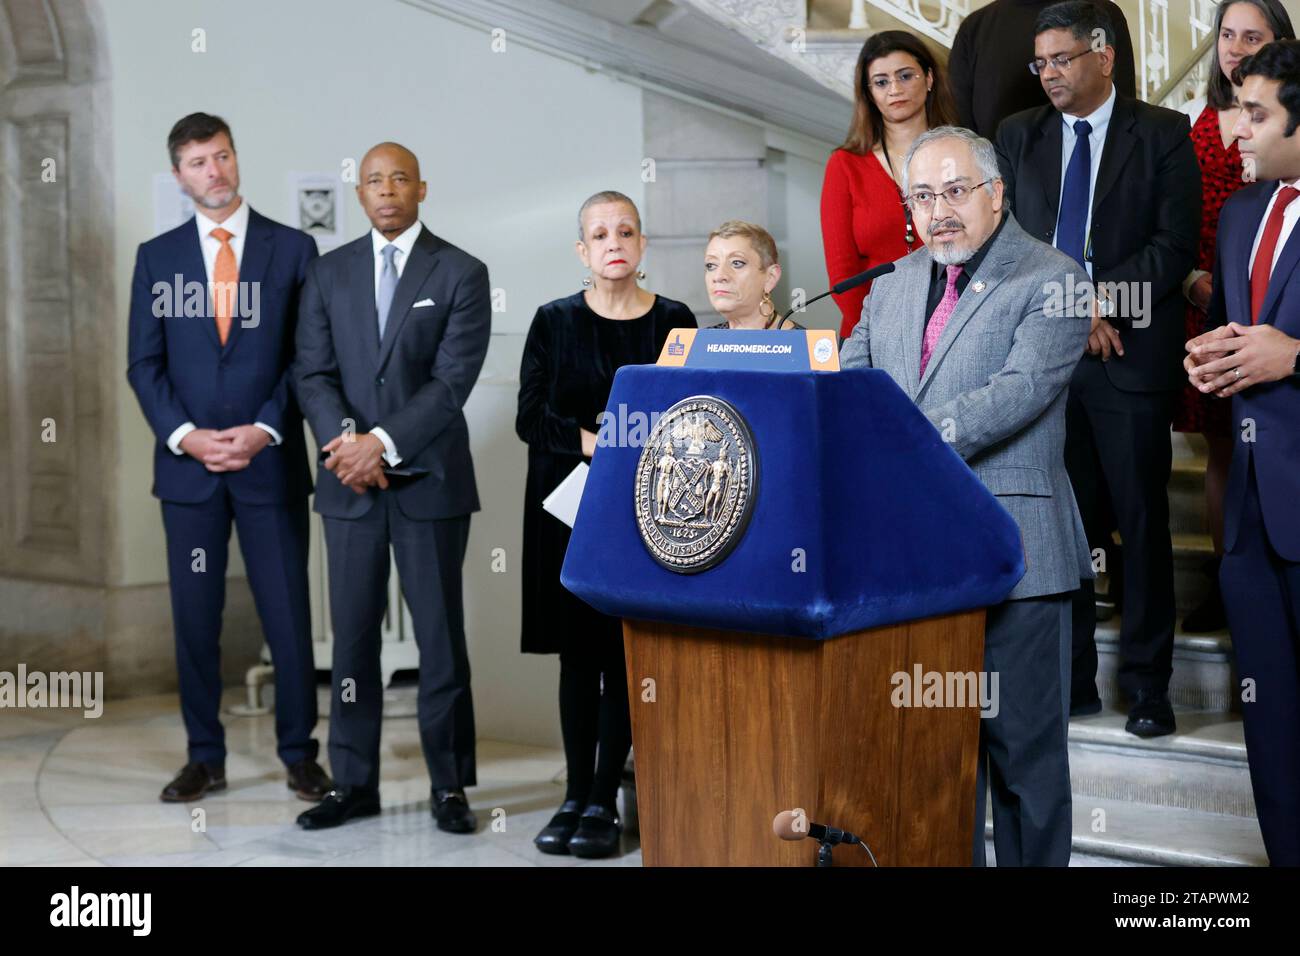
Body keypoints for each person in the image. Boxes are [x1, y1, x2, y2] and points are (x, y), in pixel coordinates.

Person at [842, 126, 1090, 866]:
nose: (939, 210)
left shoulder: (1054, 278)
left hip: (1015, 549)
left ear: (995, 193)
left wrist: (903, 439)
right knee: (935, 760)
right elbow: (855, 388)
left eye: (955, 191)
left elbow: (1019, 393)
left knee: (1024, 760)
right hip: (910, 565)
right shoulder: (887, 287)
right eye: (923, 195)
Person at [995, 1, 1202, 737]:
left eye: (1061, 59)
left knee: (1141, 525)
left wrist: (1097, 297)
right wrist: (1069, 308)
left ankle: (1148, 687)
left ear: (1104, 56)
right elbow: (1008, 244)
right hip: (1045, 362)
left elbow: (1173, 245)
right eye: (1039, 62)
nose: (1048, 73)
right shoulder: (1018, 136)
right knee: (1060, 529)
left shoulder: (1164, 135)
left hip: (1129, 356)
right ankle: (1071, 678)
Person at [126, 113, 330, 805]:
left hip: (268, 465)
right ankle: (204, 758)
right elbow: (143, 364)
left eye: (220, 157)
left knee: (288, 615)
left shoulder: (294, 250)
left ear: (236, 159)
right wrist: (185, 434)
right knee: (195, 619)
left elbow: (308, 361)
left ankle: (302, 756)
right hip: (189, 474)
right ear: (179, 176)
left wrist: (265, 428)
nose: (212, 172)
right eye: (196, 163)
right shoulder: (156, 259)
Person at [292, 142, 490, 833]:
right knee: (351, 643)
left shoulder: (462, 271)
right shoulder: (327, 274)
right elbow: (310, 374)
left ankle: (449, 786)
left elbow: (450, 382)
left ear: (421, 188)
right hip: (349, 488)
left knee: (439, 640)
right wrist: (347, 446)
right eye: (373, 180)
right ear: (359, 193)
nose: (385, 190)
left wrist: (381, 444)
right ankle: (352, 783)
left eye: (398, 178)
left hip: (429, 486)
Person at [517, 191, 696, 859]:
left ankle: (603, 800)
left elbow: (690, 411)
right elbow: (529, 417)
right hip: (566, 509)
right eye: (599, 233)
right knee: (577, 655)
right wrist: (593, 439)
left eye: (625, 230)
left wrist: (625, 445)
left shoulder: (674, 321)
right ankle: (573, 792)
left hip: (644, 510)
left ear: (642, 245)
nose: (613, 241)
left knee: (625, 655)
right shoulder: (551, 319)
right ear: (582, 251)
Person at [1185, 39, 1300, 867]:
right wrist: (1211, 359)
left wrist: (1296, 355)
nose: (1236, 135)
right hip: (1252, 519)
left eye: (1255, 115)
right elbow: (1237, 333)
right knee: (1273, 728)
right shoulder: (1237, 216)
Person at [1175, 0, 1295, 633]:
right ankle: (1231, 578)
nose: (1234, 46)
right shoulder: (1236, 205)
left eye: (1252, 35)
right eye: (1226, 35)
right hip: (1211, 311)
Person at [819, 30, 956, 338]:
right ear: (869, 93)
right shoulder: (845, 165)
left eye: (906, 76)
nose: (895, 89)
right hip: (869, 335)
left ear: (929, 78)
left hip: (952, 333)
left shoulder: (963, 156)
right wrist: (877, 334)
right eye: (881, 82)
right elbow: (843, 273)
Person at [948, 0, 1136, 139]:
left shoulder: (1100, 15)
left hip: (1094, 168)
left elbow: (1123, 106)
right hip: (1003, 180)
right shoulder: (974, 28)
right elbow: (961, 124)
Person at [703, 220, 801, 330]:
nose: (719, 276)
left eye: (737, 263)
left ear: (770, 278)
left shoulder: (805, 344)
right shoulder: (698, 343)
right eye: (711, 265)